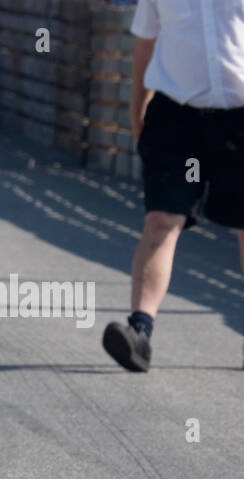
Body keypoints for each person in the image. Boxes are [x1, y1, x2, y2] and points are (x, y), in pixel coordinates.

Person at [103, 0, 244, 372]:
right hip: (176, 118)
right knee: (161, 221)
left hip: (240, 120)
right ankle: (139, 332)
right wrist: (137, 112)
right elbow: (145, 46)